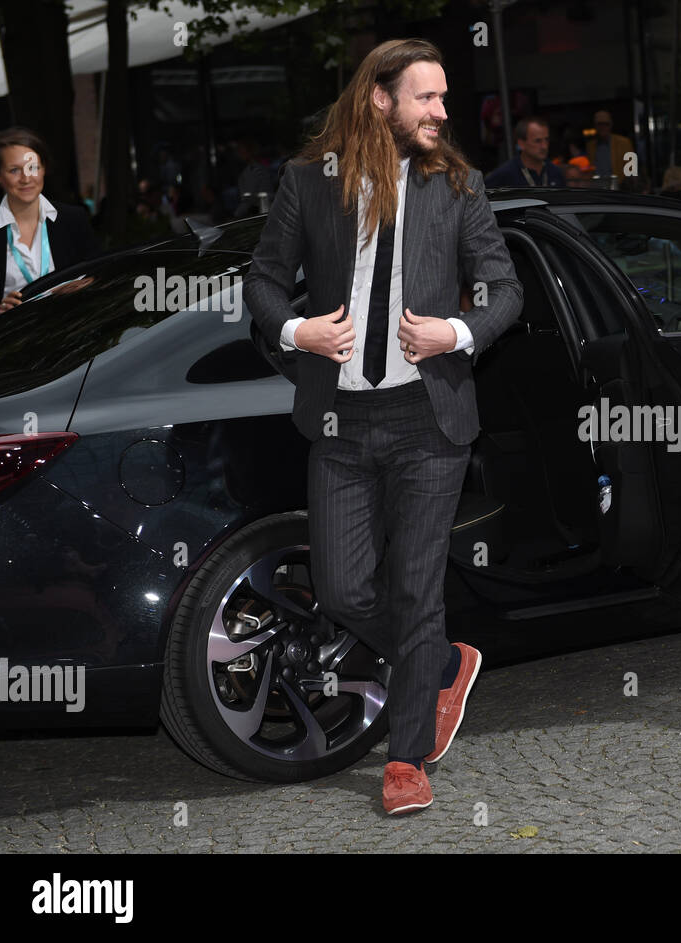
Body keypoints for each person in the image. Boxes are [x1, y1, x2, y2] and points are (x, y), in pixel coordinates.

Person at [244, 38, 524, 814]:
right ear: (380, 99)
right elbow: (263, 279)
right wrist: (299, 332)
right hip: (339, 419)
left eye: (443, 99)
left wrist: (457, 333)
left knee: (415, 583)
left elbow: (506, 289)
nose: (442, 112)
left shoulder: (458, 184)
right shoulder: (309, 183)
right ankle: (435, 662)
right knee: (340, 585)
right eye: (426, 98)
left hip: (430, 419)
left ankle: (405, 762)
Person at [0, 127, 97, 315]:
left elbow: (100, 273)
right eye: (14, 170)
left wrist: (82, 285)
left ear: (44, 168)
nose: (26, 178)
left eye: (33, 167)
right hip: (12, 339)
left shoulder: (73, 219)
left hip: (73, 330)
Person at [485, 116, 567, 188]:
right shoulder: (504, 175)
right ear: (521, 143)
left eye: (546, 140)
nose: (544, 146)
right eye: (538, 141)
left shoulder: (555, 172)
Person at [586, 109, 636, 185]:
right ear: (595, 126)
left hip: (619, 188)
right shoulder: (590, 145)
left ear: (611, 125)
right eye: (599, 124)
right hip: (597, 188)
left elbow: (632, 171)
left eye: (606, 124)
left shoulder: (624, 142)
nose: (602, 127)